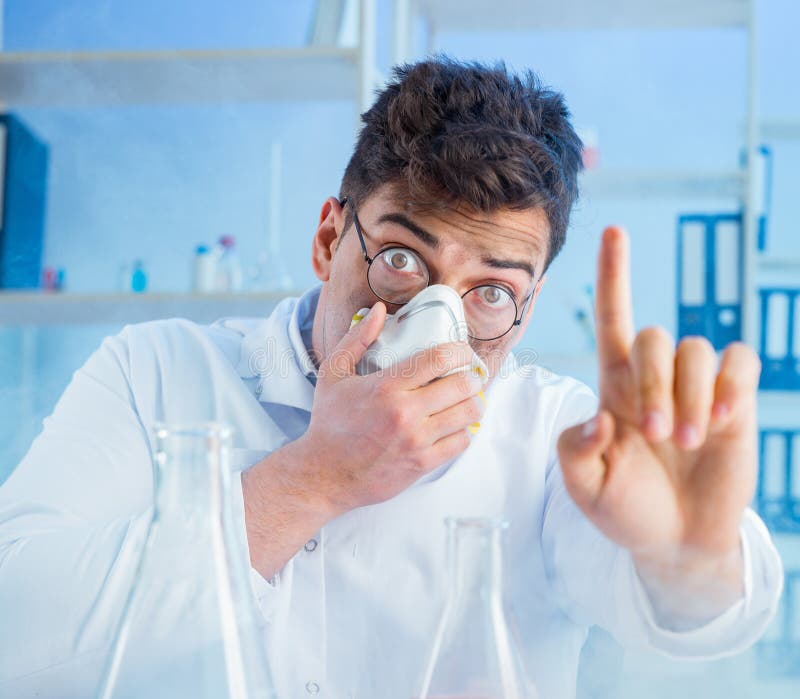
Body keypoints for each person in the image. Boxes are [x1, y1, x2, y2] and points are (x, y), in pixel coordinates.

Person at [0, 58, 783, 699]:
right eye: (403, 261)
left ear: (529, 307)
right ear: (329, 237)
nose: (436, 327)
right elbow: (13, 626)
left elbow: (695, 622)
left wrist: (694, 554)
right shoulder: (155, 373)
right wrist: (308, 480)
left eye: (491, 292)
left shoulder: (558, 440)